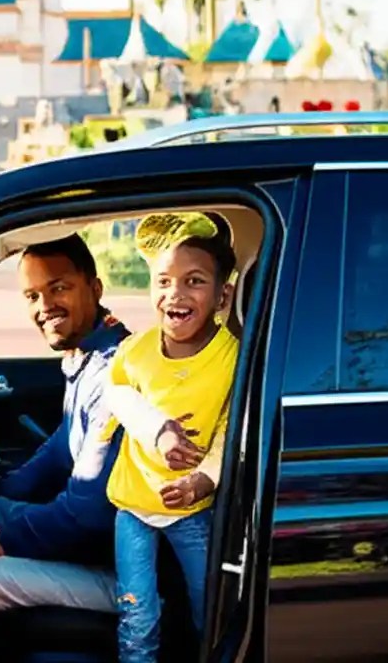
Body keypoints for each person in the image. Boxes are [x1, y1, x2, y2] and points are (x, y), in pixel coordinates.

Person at [98, 211, 240, 663]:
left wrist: (206, 479)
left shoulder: (232, 356)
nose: (175, 294)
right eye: (163, 282)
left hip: (193, 506)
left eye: (194, 281)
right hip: (134, 505)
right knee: (137, 616)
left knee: (210, 610)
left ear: (223, 295)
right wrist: (156, 429)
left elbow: (230, 426)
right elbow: (117, 394)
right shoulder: (135, 350)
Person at [0, 233, 131, 617]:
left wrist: (4, 541)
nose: (44, 307)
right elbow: (57, 451)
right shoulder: (85, 356)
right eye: (32, 296)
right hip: (95, 546)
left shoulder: (115, 373)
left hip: (122, 573)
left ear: (95, 288)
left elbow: (87, 513)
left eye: (59, 288)